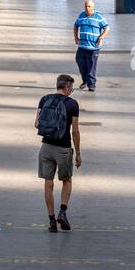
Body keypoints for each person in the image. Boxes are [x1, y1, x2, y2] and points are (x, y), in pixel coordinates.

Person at [35, 74, 81, 233]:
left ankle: (51, 220)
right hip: (63, 148)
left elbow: (36, 124)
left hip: (46, 147)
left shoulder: (44, 99)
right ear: (67, 87)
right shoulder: (72, 104)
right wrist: (78, 153)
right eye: (71, 88)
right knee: (67, 180)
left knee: (48, 183)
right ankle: (63, 211)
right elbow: (75, 131)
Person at [73, 0, 109, 91]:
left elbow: (107, 28)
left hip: (93, 47)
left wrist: (101, 37)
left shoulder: (98, 17)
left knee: (91, 66)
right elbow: (76, 25)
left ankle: (91, 84)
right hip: (82, 46)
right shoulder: (81, 15)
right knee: (80, 62)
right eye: (85, 6)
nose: (87, 8)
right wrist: (76, 37)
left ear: (93, 8)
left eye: (89, 6)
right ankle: (85, 80)